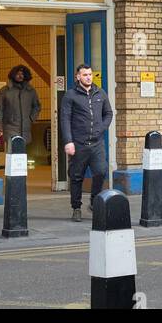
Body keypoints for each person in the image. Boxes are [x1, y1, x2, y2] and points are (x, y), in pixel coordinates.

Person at [60, 62, 113, 222]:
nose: (88, 77)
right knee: (76, 177)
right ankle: (76, 207)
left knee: (101, 171)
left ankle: (94, 201)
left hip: (97, 144)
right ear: (78, 77)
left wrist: (101, 128)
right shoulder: (70, 95)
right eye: (85, 75)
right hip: (78, 144)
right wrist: (68, 141)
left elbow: (108, 113)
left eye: (90, 74)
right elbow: (65, 119)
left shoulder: (100, 93)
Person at [0, 64, 41, 153]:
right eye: (18, 74)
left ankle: (21, 167)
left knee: (22, 153)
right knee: (12, 151)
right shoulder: (4, 91)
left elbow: (37, 106)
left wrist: (31, 118)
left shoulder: (31, 91)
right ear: (13, 75)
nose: (20, 76)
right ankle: (12, 167)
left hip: (25, 127)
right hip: (10, 126)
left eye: (22, 74)